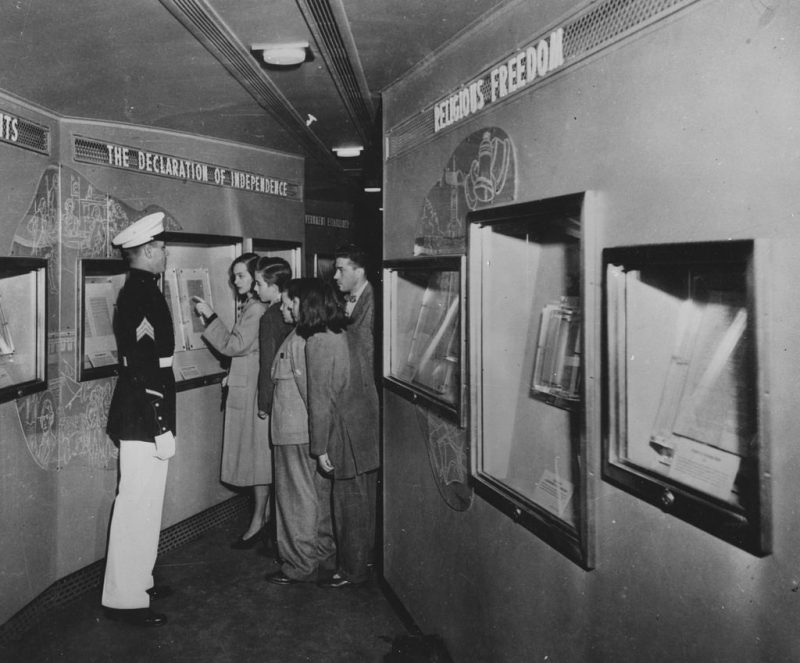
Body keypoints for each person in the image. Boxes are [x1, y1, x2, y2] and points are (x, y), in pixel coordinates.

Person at [103, 211, 175, 628]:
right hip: (143, 413)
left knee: (148, 503)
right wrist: (160, 423)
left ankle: (140, 581)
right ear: (147, 251)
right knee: (135, 505)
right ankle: (124, 598)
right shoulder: (139, 294)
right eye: (161, 248)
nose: (165, 253)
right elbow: (144, 365)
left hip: (145, 410)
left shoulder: (144, 289)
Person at [303, 279, 379, 588]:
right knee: (364, 504)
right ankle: (365, 561)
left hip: (343, 433)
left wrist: (319, 447)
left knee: (347, 507)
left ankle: (350, 571)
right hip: (365, 428)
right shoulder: (348, 333)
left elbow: (320, 401)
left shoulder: (318, 342)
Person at [193, 253, 270, 547]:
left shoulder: (255, 309)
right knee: (256, 458)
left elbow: (234, 346)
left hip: (251, 393)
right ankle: (262, 517)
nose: (235, 281)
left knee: (257, 460)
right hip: (247, 388)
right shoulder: (251, 306)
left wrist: (210, 317)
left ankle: (259, 520)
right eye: (233, 276)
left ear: (255, 277)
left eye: (240, 276)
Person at [264, 278, 336, 585]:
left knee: (295, 502)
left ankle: (298, 565)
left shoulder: (299, 342)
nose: (282, 309)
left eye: (286, 303)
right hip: (306, 434)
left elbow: (312, 394)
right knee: (317, 498)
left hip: (295, 435)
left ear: (300, 304)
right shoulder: (310, 336)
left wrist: (321, 442)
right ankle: (322, 555)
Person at [332, 243, 380, 573]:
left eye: (341, 269)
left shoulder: (371, 302)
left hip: (361, 406)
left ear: (359, 271)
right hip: (355, 404)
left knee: (357, 491)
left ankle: (357, 564)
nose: (336, 276)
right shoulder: (351, 300)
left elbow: (363, 356)